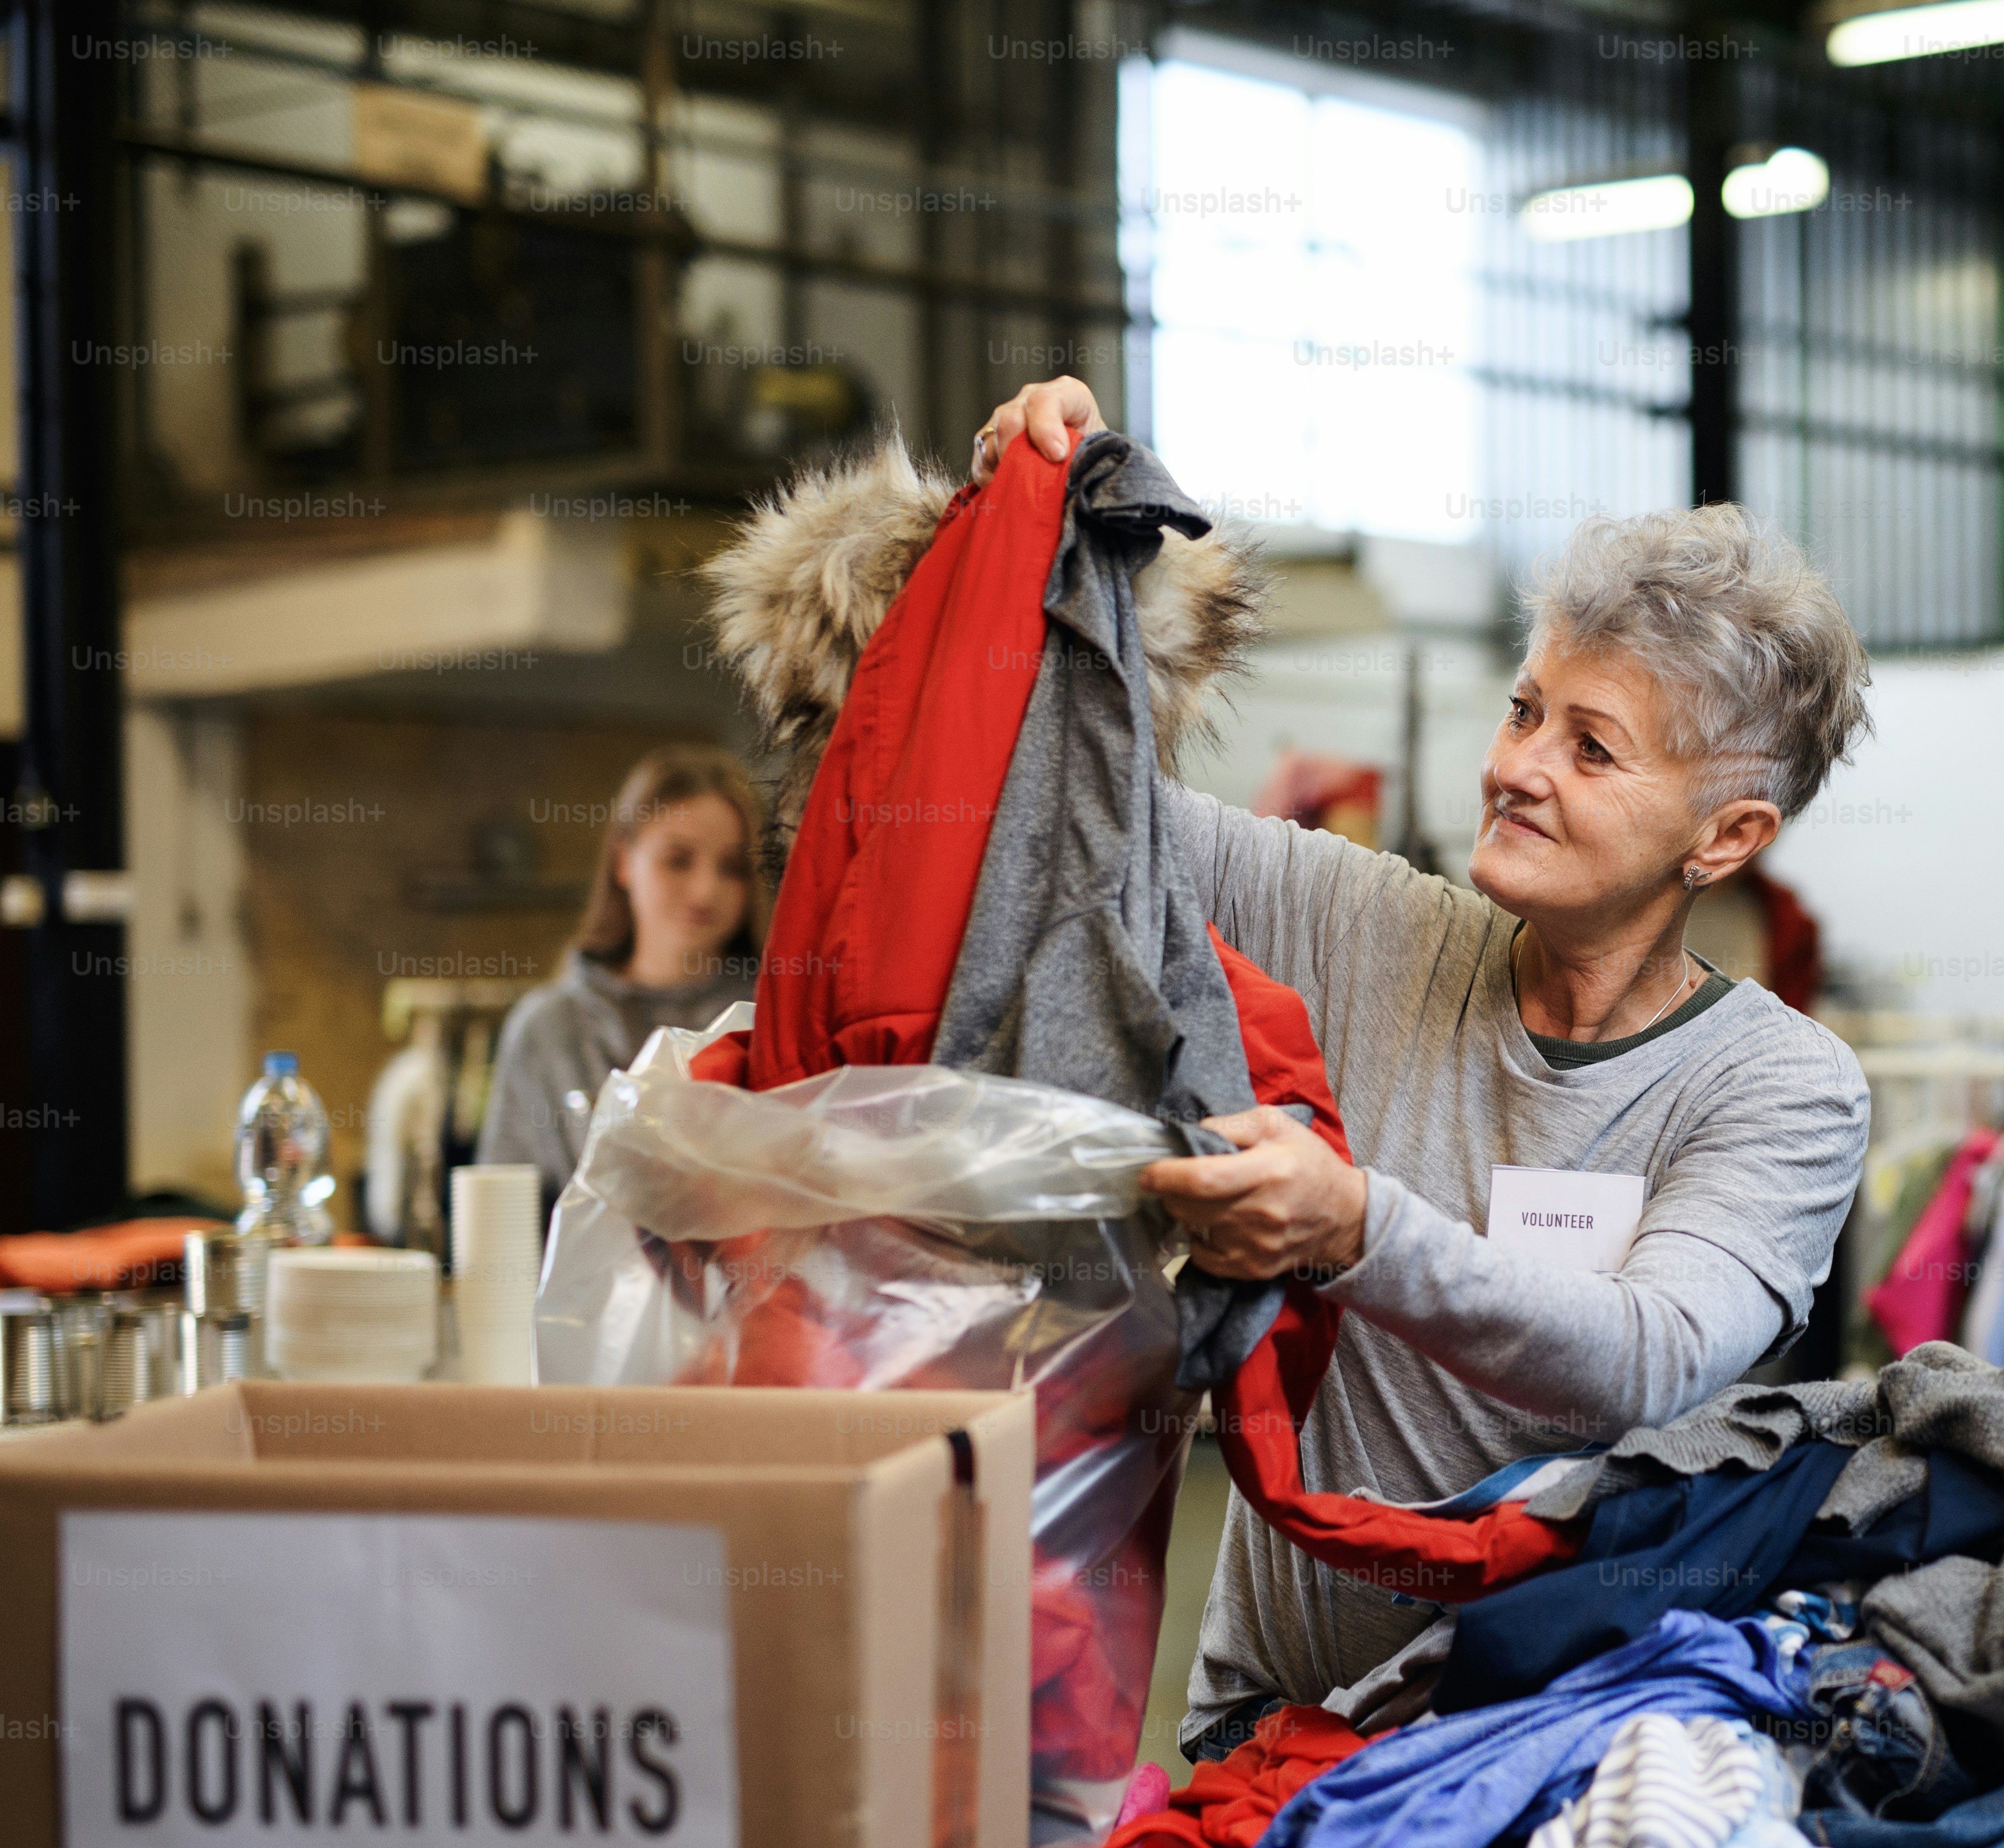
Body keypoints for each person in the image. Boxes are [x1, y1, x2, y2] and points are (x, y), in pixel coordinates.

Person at [976, 379, 1875, 1753]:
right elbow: (1090, 816)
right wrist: (1026, 531)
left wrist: (1352, 1228)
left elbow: (1637, 1361)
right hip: (1259, 1731)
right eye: (1525, 710)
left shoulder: (1781, 1090)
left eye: (1591, 747)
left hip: (1533, 1758)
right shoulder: (1370, 925)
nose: (1517, 766)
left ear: (1726, 836)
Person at [478, 745, 765, 1211]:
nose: (705, 890)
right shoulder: (551, 1029)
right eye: (678, 860)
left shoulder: (770, 1021)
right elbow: (499, 1214)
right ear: (623, 862)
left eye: (732, 868)